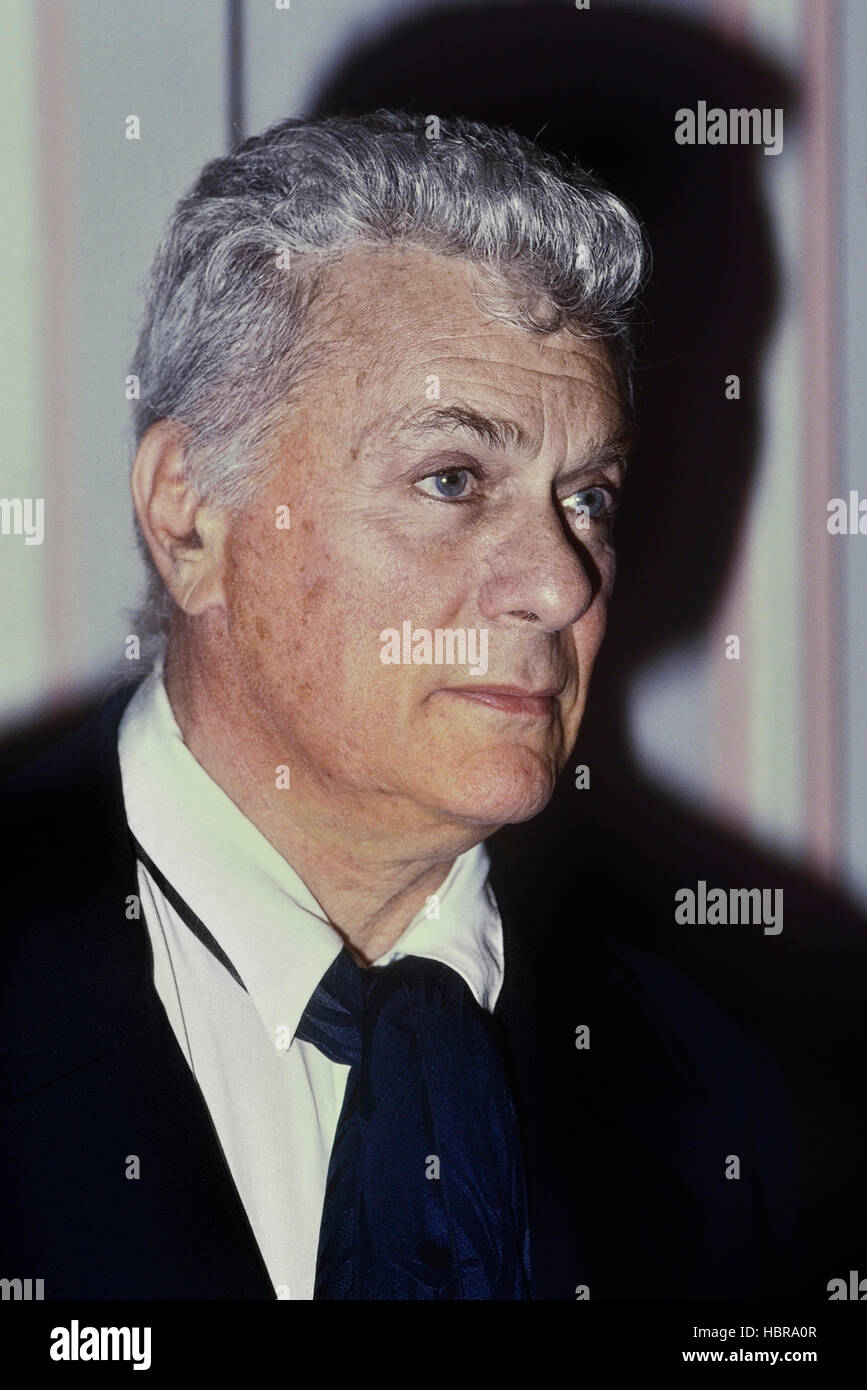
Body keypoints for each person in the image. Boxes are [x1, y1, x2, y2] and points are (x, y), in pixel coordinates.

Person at [0, 111, 798, 1300]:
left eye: (586, 496)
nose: (560, 581)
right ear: (189, 516)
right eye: (454, 478)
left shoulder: (715, 1082)